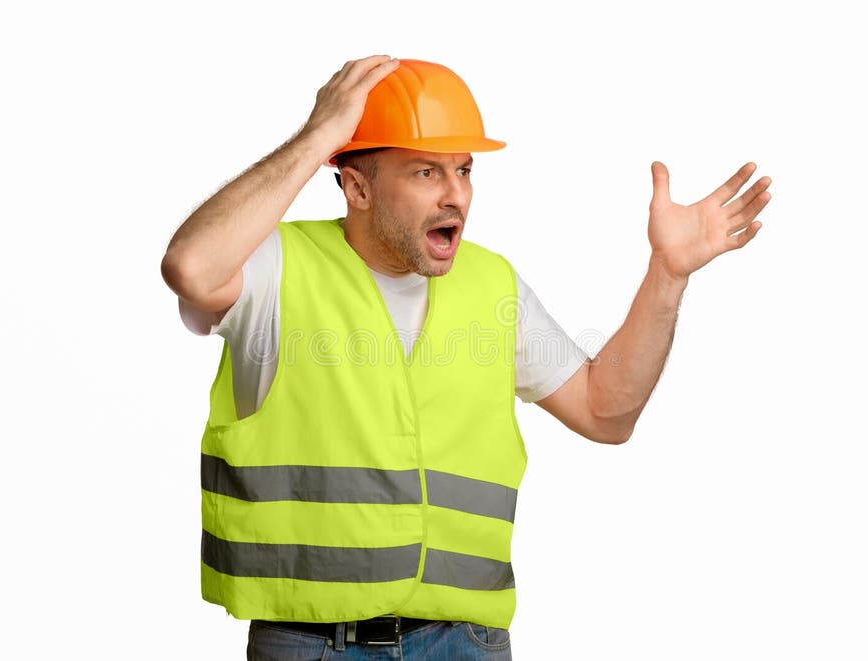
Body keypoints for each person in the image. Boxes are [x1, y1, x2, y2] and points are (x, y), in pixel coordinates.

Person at [161, 55, 771, 660]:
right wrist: (320, 135)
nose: (456, 195)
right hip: (313, 644)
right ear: (356, 185)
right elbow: (190, 267)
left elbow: (606, 413)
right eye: (427, 172)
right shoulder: (275, 267)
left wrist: (666, 274)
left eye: (464, 170)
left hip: (467, 644)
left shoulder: (493, 284)